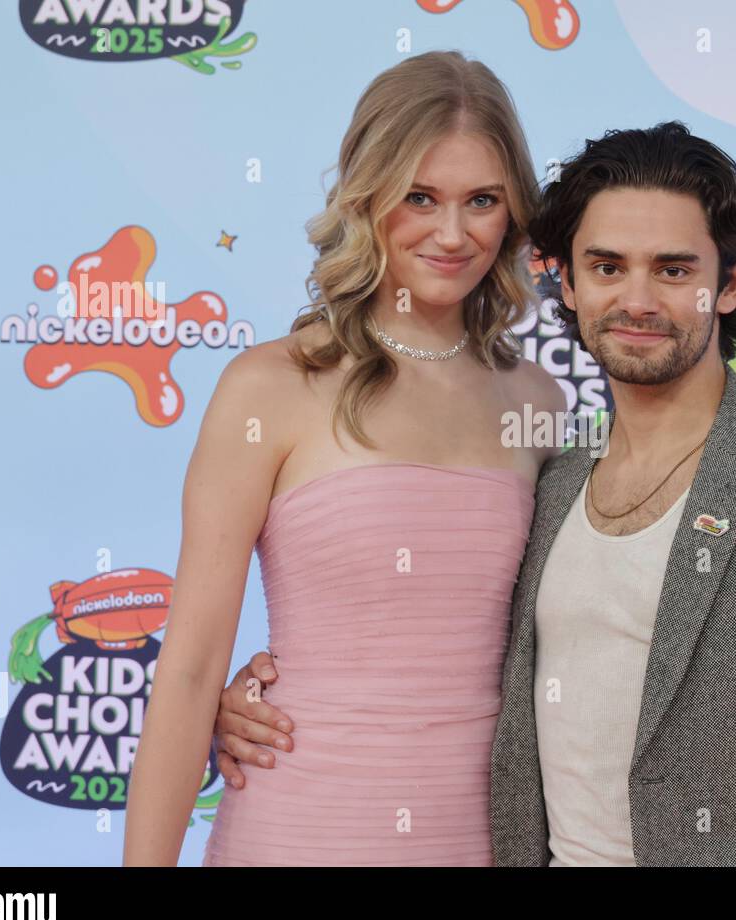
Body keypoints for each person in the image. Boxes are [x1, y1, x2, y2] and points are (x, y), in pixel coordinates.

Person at [216, 122, 736, 866]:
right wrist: (270, 696)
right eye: (608, 267)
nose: (637, 300)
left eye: (673, 270)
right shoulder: (548, 473)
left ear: (730, 283)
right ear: (569, 284)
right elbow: (437, 643)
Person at [122, 50, 566, 866]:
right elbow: (188, 673)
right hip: (299, 824)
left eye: (483, 201)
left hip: (481, 838)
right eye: (420, 197)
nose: (452, 232)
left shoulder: (538, 403)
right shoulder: (271, 385)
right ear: (367, 195)